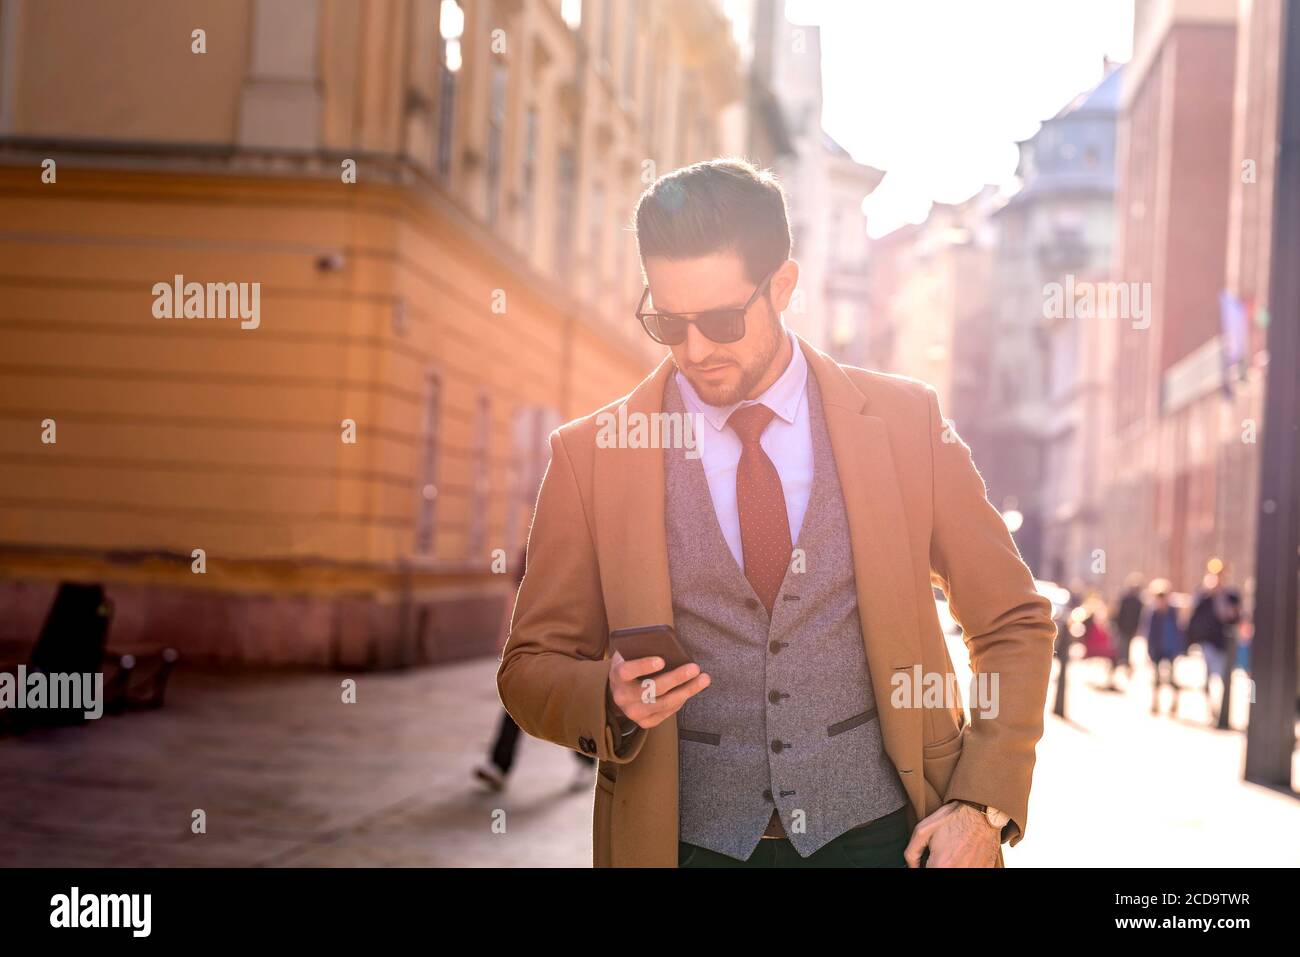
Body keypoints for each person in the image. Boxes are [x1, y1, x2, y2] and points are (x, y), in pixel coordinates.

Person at [496, 158, 1056, 868]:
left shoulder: (906, 422)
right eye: (668, 322)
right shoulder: (590, 456)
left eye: (722, 320)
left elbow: (1013, 620)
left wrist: (982, 804)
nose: (695, 349)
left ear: (783, 285)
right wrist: (601, 694)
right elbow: (527, 668)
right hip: (685, 847)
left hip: (886, 840)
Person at [473, 546, 595, 793]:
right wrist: (505, 633)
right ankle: (499, 765)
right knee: (518, 695)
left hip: (570, 635)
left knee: (567, 700)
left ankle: (586, 760)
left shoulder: (581, 543)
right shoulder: (530, 548)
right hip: (533, 635)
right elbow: (514, 591)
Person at [1141, 580, 1184, 716]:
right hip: (1157, 649)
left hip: (1171, 649)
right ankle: (1155, 703)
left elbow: (1179, 631)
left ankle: (1174, 703)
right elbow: (1148, 632)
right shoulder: (1153, 614)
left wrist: (1179, 648)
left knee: (1172, 679)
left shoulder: (1173, 613)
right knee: (1156, 679)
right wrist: (1149, 650)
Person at [1112, 575, 1146, 685]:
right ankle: (1123, 664)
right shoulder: (1135, 600)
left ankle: (1122, 664)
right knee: (1124, 647)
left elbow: (1119, 613)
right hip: (1127, 628)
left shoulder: (1130, 599)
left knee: (1123, 647)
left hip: (1126, 628)